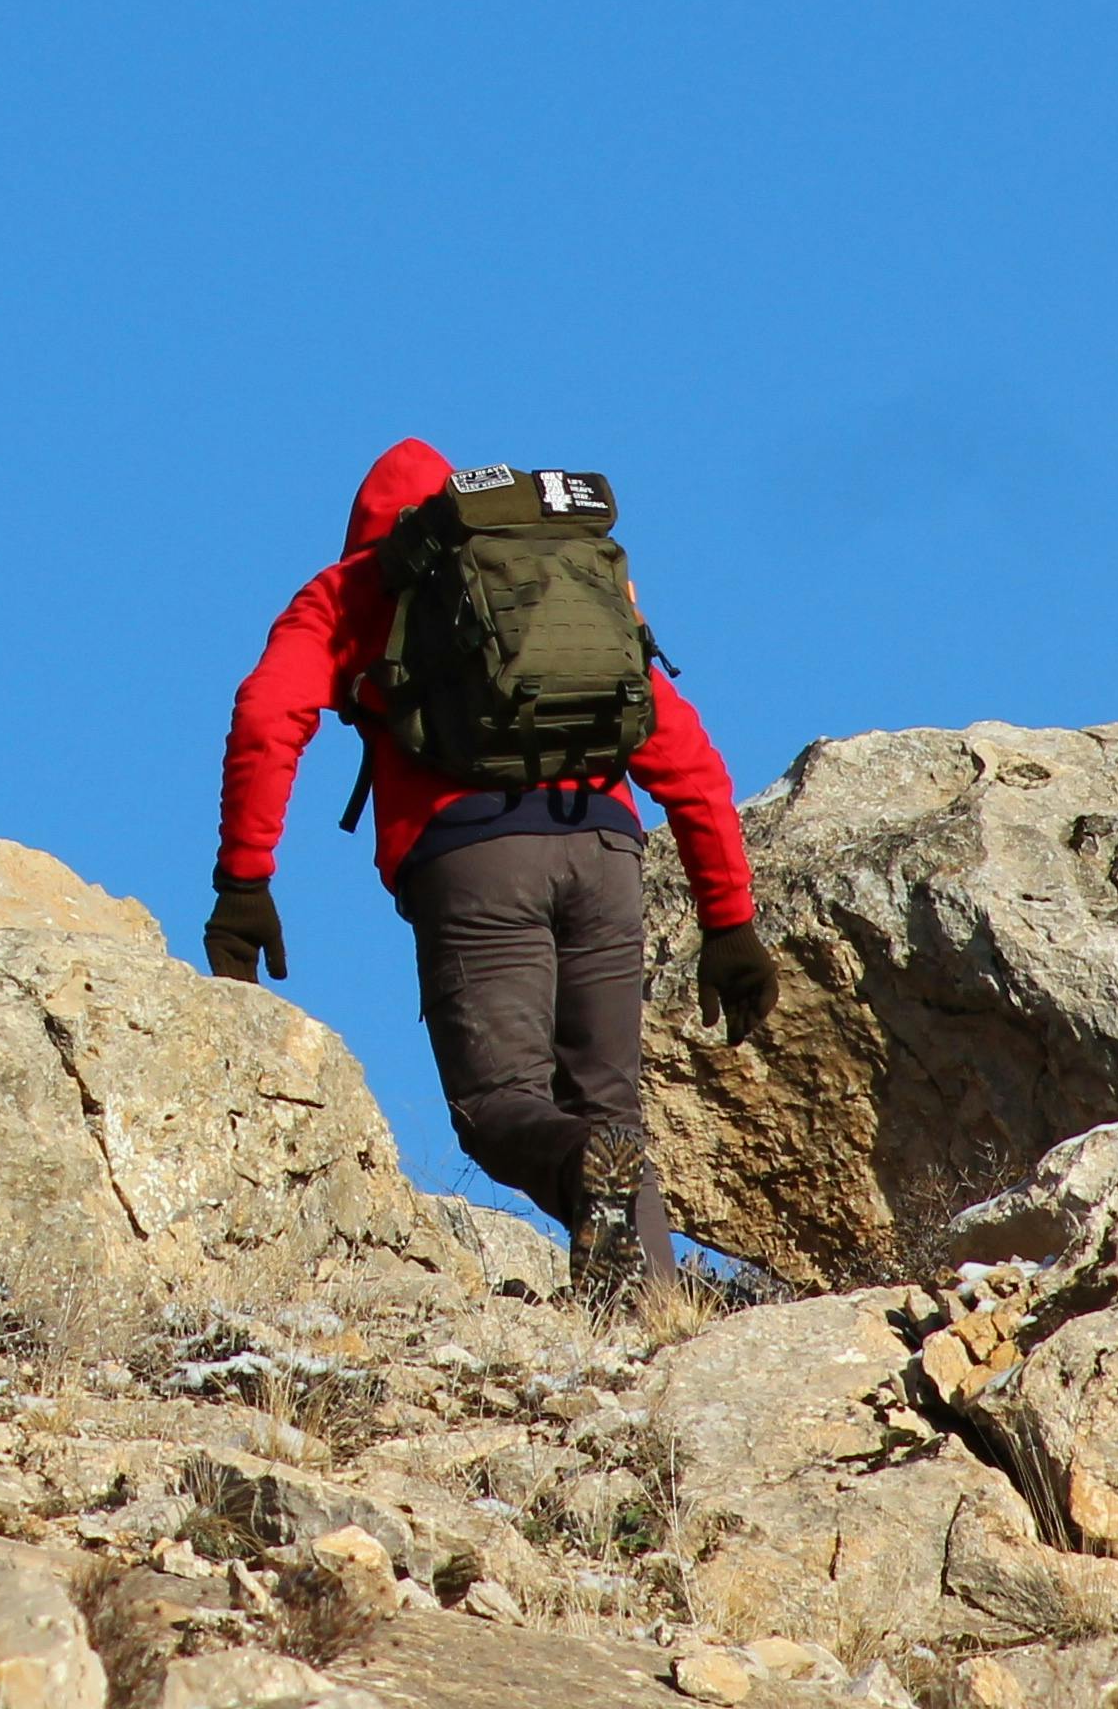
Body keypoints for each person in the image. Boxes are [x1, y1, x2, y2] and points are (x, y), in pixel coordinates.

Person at [207, 436, 777, 1300]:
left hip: (475, 862)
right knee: (612, 1111)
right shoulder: (559, 587)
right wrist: (729, 922)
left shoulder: (360, 586)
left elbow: (266, 713)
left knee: (498, 1107)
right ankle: (654, 1319)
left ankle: (585, 1171)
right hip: (606, 852)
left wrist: (244, 882)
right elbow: (688, 761)